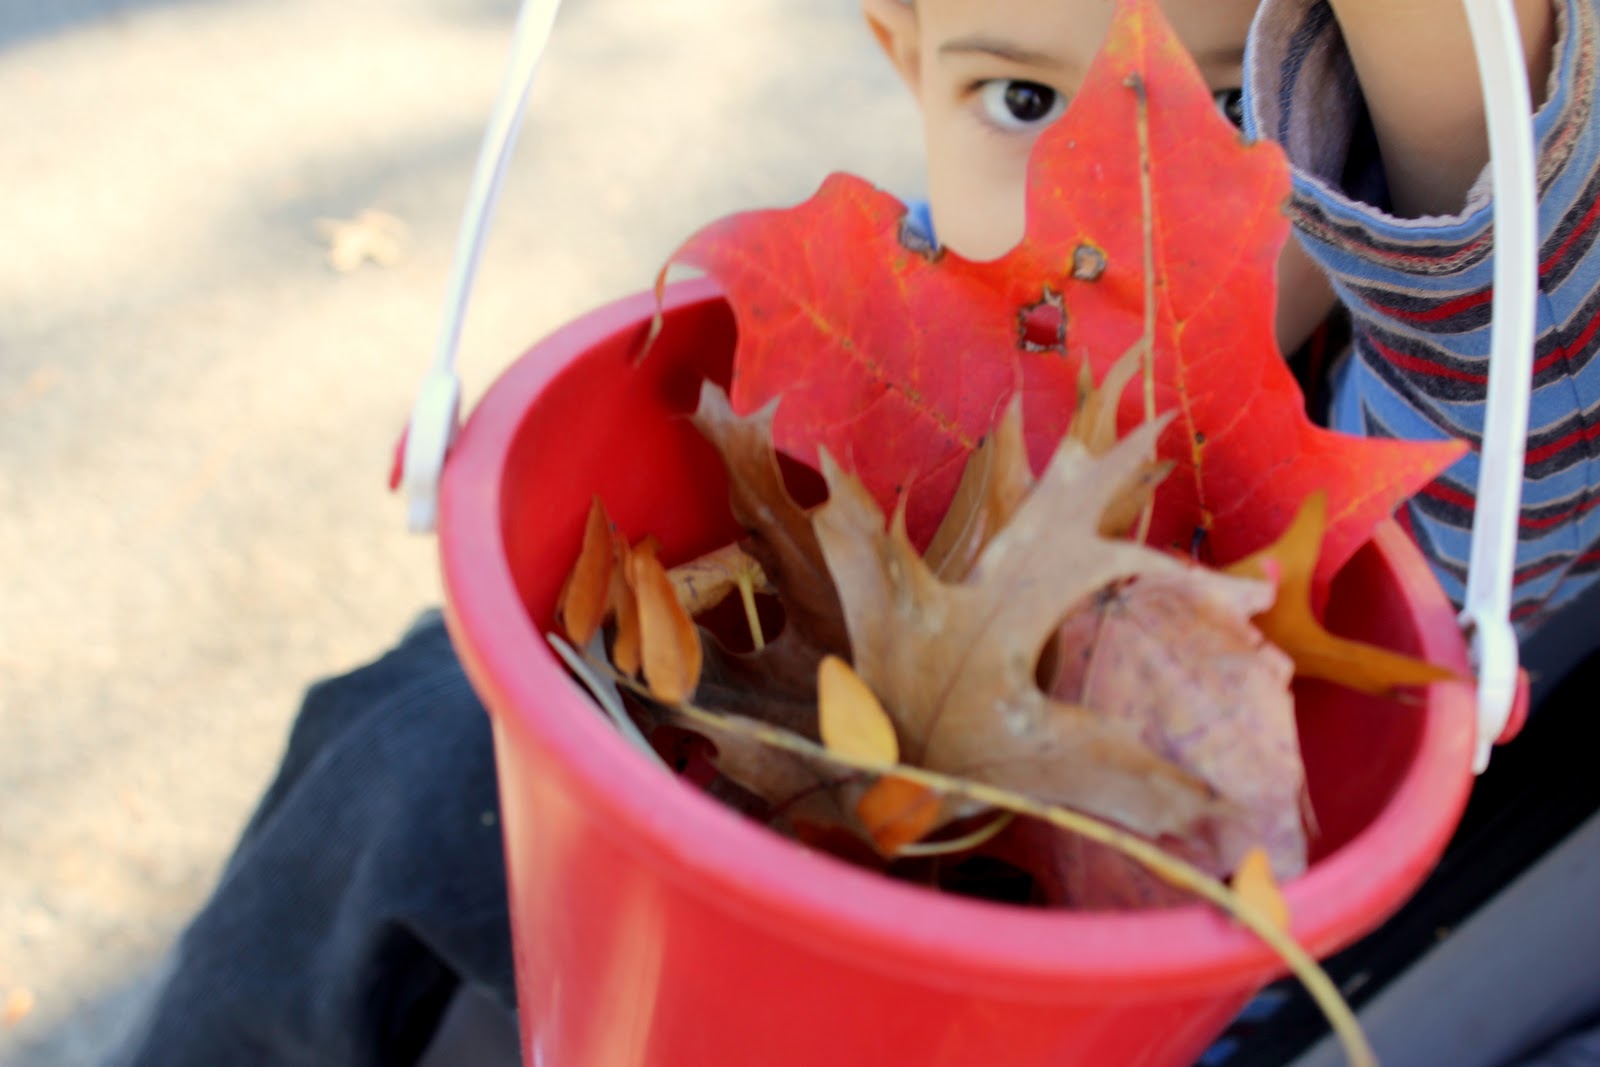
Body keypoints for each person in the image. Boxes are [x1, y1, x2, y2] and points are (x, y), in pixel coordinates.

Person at [107, 2, 1600, 1065]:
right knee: (409, 735)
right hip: (730, 921)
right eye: (1022, 101)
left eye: (1214, 113)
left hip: (1098, 1019)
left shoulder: (1422, 449)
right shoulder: (910, 340)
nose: (1091, 221)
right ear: (903, 54)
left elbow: (1487, 165)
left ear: (1332, 154)